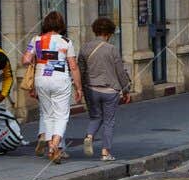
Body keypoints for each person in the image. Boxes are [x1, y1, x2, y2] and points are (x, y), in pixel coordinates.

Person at [24, 11, 83, 164]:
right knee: (62, 115)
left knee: (48, 114)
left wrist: (38, 57)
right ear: (60, 25)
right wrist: (79, 88)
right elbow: (73, 67)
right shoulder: (66, 42)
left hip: (41, 79)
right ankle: (54, 145)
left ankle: (50, 143)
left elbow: (25, 60)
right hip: (60, 79)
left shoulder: (36, 39)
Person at [81, 18, 131, 161]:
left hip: (91, 89)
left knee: (95, 117)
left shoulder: (85, 48)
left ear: (95, 31)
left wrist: (83, 88)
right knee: (109, 121)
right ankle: (105, 152)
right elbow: (120, 72)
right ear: (109, 33)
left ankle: (89, 136)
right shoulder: (112, 49)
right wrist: (126, 90)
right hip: (110, 91)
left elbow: (81, 70)